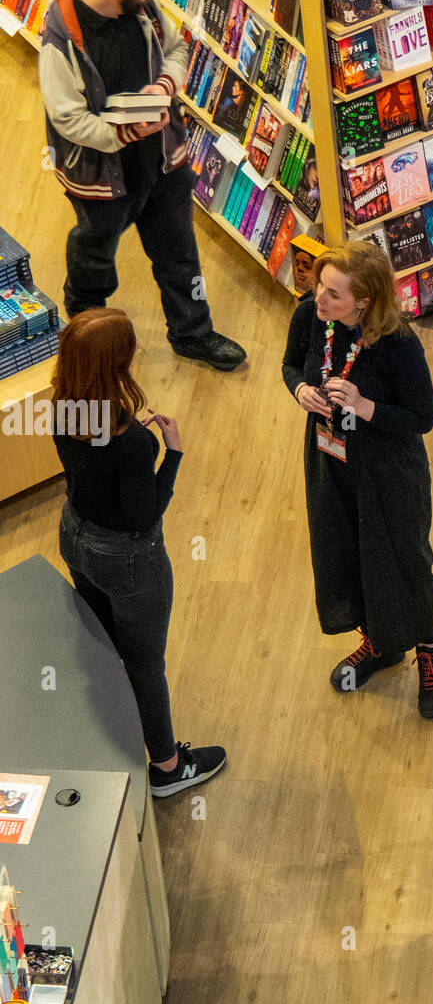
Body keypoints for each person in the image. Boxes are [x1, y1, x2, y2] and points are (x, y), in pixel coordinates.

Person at [39, 0, 246, 372]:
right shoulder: (63, 35)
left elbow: (176, 49)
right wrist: (125, 134)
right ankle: (87, 333)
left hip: (163, 159)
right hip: (100, 169)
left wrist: (165, 85)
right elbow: (67, 118)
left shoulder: (144, 7)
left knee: (179, 252)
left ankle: (194, 334)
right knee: (94, 253)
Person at [51, 308, 227, 797]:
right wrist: (171, 453)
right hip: (128, 560)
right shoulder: (133, 443)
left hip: (75, 535)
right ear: (117, 363)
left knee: (102, 643)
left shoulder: (62, 407)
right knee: (147, 665)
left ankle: (112, 732)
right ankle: (169, 769)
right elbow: (144, 516)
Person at [282, 242, 433, 719]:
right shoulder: (310, 317)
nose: (319, 299)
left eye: (333, 294)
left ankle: (430, 651)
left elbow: (423, 417)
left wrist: (363, 406)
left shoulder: (398, 345)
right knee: (346, 552)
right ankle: (379, 642)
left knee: (405, 561)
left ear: (364, 302)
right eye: (320, 286)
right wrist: (300, 389)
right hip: (328, 461)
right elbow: (291, 364)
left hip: (388, 471)